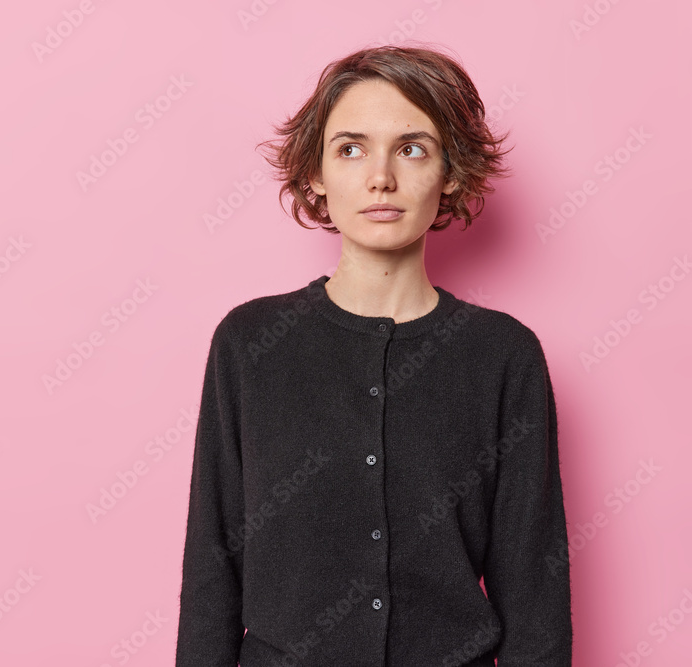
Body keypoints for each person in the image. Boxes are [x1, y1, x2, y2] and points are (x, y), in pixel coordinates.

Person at [175, 44, 573, 666]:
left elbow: (535, 594)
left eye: (412, 148)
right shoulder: (250, 344)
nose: (379, 176)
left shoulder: (503, 356)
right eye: (351, 148)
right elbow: (212, 565)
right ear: (315, 174)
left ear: (451, 174)